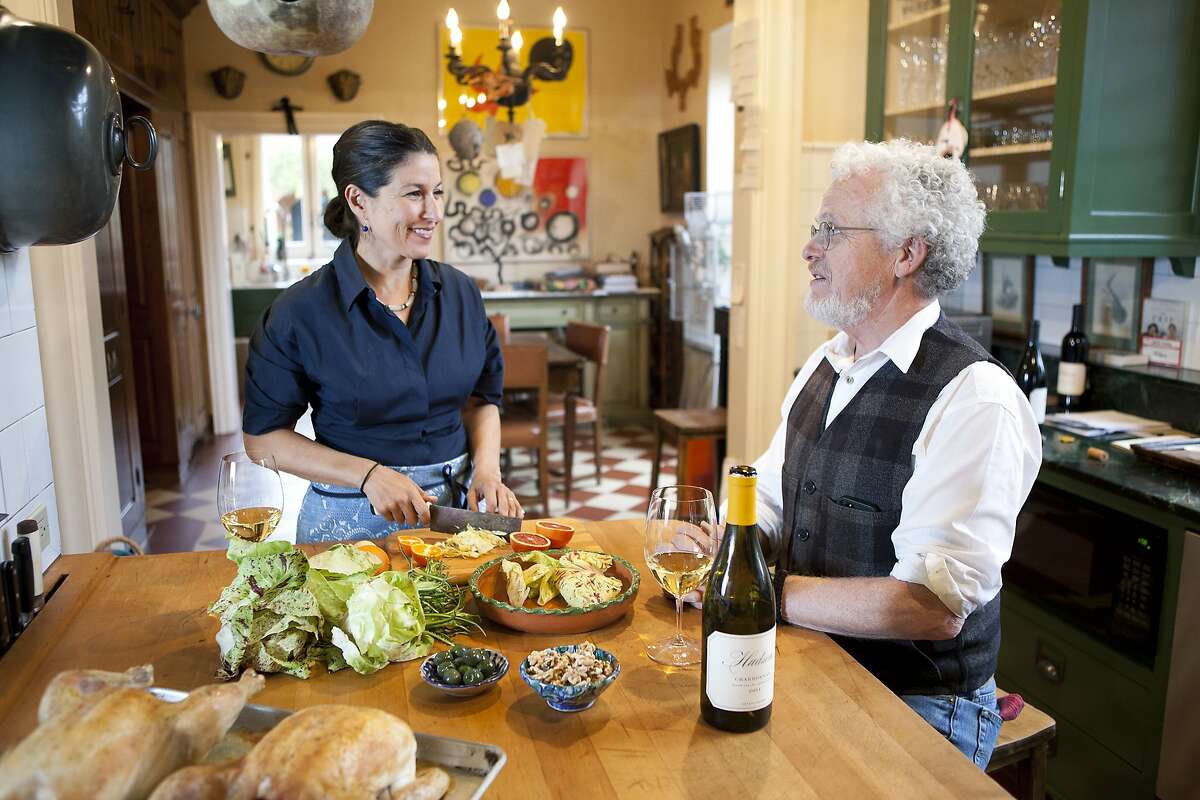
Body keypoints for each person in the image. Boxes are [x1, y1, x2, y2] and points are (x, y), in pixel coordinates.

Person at [685, 139, 1041, 768]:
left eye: (831, 230)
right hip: (811, 655)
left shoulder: (975, 398)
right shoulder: (827, 363)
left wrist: (758, 591)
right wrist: (722, 544)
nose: (809, 248)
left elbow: (928, 607)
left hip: (917, 701)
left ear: (907, 253)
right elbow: (768, 497)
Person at [242, 120, 522, 543]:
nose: (434, 212)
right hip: (350, 523)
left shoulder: (463, 294)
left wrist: (487, 472)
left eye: (437, 192)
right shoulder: (298, 313)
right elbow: (262, 440)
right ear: (358, 201)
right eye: (414, 194)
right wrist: (368, 474)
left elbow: (482, 401)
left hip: (457, 524)